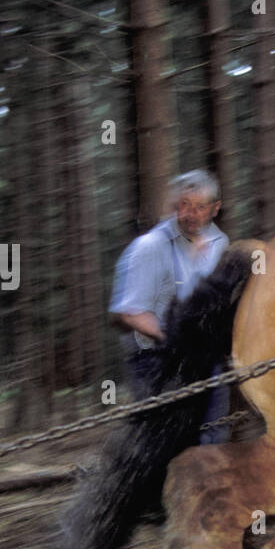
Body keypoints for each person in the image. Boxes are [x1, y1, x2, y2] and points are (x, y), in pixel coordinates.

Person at [109, 169, 232, 443]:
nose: (191, 213)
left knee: (214, 430)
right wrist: (176, 340)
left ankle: (206, 483)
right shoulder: (150, 247)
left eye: (201, 206)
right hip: (155, 358)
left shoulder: (219, 243)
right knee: (167, 438)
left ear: (215, 208)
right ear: (173, 206)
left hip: (203, 355)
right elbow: (131, 313)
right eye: (184, 205)